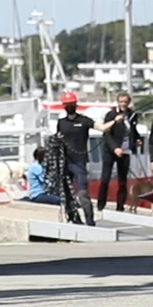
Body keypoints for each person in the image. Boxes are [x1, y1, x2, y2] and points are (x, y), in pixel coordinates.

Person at [54, 90, 97, 224]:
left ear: (76, 104)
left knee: (82, 193)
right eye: (67, 104)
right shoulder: (61, 123)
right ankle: (74, 218)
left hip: (79, 162)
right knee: (67, 193)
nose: (69, 106)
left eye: (71, 104)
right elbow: (57, 138)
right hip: (65, 162)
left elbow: (102, 127)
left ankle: (90, 220)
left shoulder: (84, 121)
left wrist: (114, 122)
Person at [94, 92, 141, 214]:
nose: (123, 104)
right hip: (111, 151)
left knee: (122, 180)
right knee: (105, 178)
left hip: (125, 151)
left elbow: (133, 130)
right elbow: (107, 133)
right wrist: (115, 148)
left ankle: (120, 206)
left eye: (125, 102)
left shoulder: (132, 115)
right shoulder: (111, 114)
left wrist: (137, 139)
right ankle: (101, 204)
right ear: (118, 102)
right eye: (121, 102)